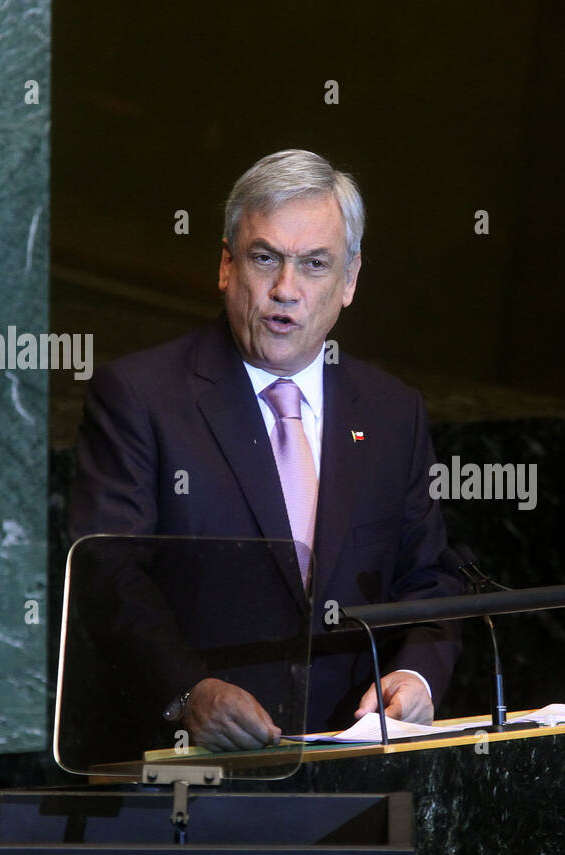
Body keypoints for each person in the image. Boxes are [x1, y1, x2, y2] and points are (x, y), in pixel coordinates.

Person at [69, 149, 460, 748]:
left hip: (353, 765)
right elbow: (108, 579)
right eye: (264, 258)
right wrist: (188, 693)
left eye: (314, 264)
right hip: (192, 772)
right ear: (226, 266)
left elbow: (429, 579)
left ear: (350, 280)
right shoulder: (140, 398)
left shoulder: (390, 411)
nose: (286, 289)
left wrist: (417, 675)